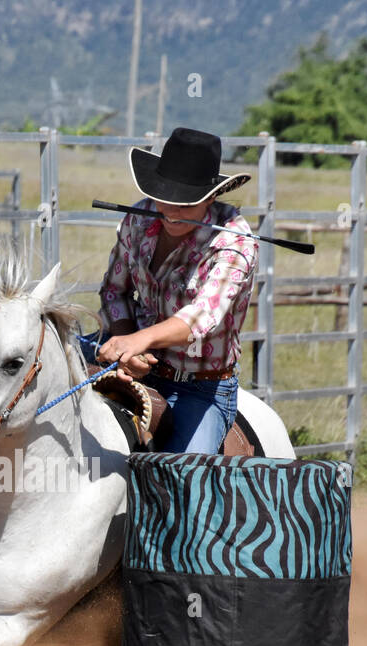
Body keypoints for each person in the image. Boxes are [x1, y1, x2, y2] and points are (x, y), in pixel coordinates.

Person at [94, 126, 257, 454]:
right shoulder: (138, 220)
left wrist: (140, 340)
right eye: (163, 196)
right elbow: (114, 291)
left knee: (184, 483)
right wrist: (129, 350)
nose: (170, 210)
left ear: (211, 197)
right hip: (136, 365)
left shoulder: (234, 242)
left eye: (185, 203)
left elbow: (202, 317)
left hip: (200, 388)